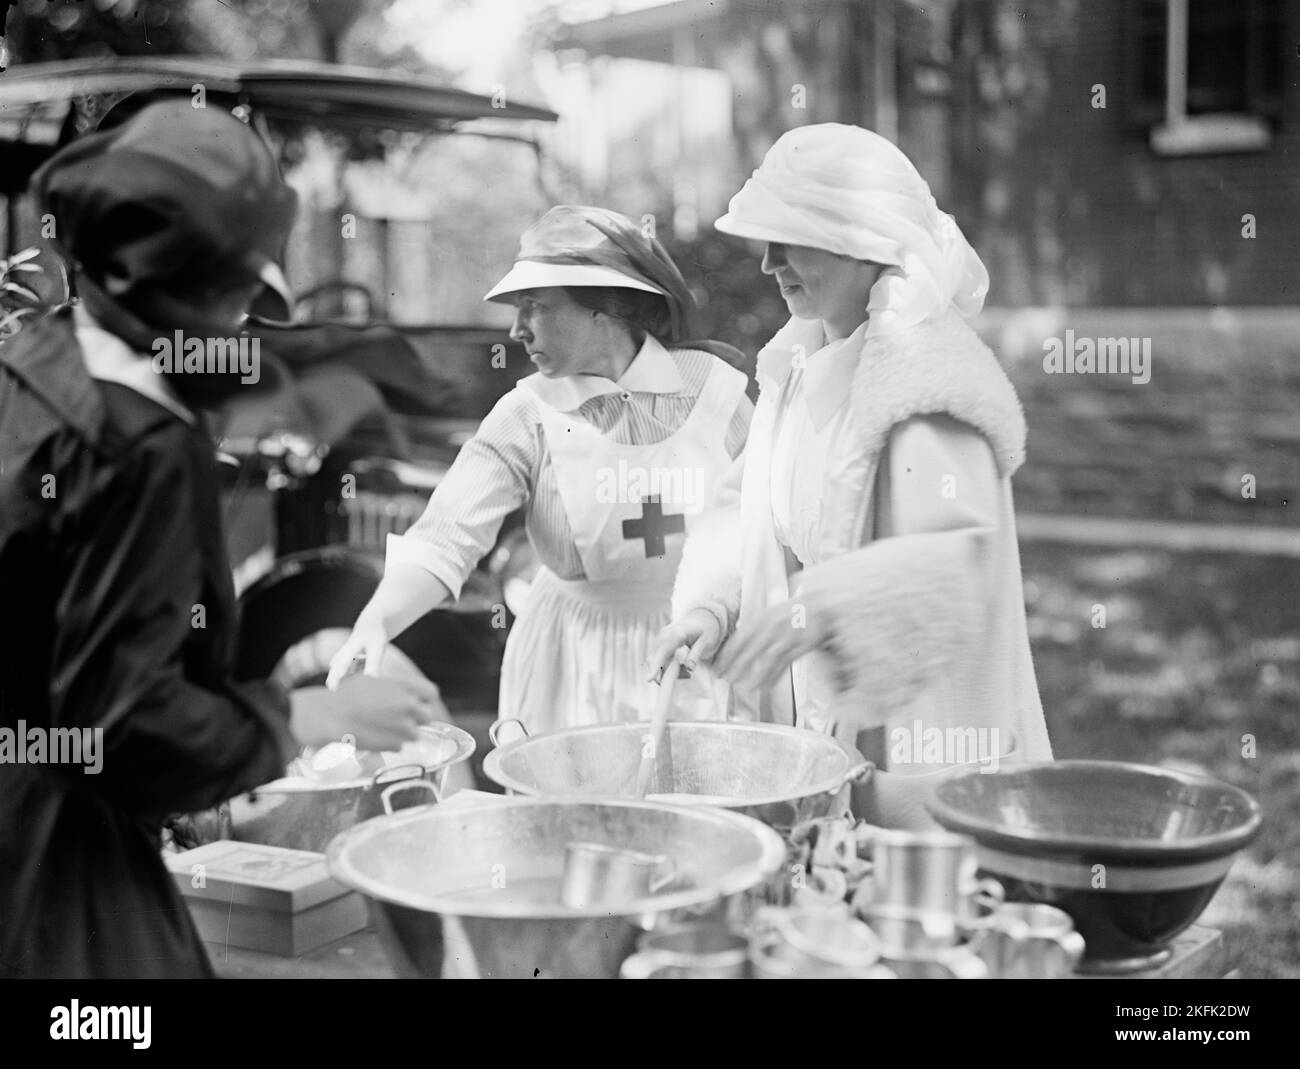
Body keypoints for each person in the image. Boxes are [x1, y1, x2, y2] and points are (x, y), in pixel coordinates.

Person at [0, 100, 442, 979]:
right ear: (195, 291)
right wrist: (311, 713)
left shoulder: (33, 361)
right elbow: (121, 728)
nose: (244, 335)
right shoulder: (142, 448)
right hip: (54, 867)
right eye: (242, 298)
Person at [650, 124, 1053, 829]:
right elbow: (745, 501)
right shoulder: (798, 366)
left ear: (865, 240)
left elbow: (956, 560)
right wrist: (711, 607)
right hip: (823, 723)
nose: (769, 263)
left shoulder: (929, 383)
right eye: (765, 242)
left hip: (919, 745)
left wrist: (823, 610)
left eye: (792, 239)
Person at [329, 206, 753, 734]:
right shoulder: (525, 414)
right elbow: (448, 535)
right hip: (572, 662)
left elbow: (761, 524)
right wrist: (378, 621)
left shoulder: (718, 394)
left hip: (695, 648)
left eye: (535, 306)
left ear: (606, 307)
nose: (516, 330)